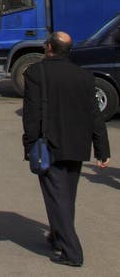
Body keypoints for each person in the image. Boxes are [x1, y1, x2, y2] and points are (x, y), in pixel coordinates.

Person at [22, 31, 110, 267]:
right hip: (78, 144)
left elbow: (32, 115)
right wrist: (102, 148)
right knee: (66, 195)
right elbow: (95, 115)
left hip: (50, 143)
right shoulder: (84, 75)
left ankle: (72, 251)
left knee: (57, 197)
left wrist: (30, 145)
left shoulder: (36, 72)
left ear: (49, 47)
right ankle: (57, 235)